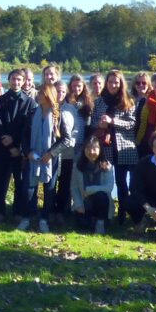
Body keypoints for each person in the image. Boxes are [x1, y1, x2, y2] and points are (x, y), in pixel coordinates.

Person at [22, 68, 75, 233]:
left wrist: (51, 153)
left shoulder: (58, 116)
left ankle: (44, 219)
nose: (38, 96)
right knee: (29, 188)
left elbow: (66, 139)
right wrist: (28, 152)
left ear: (48, 96)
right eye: (38, 93)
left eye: (41, 94)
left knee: (49, 190)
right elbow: (24, 136)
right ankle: (28, 217)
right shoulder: (32, 113)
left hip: (51, 159)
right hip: (33, 156)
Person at [91, 69, 139, 226]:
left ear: (121, 84)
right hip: (105, 147)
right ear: (106, 83)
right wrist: (100, 124)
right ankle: (103, 212)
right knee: (104, 180)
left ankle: (123, 214)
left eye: (116, 82)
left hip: (124, 147)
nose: (113, 85)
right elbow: (92, 122)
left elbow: (131, 123)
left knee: (122, 182)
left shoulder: (128, 100)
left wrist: (113, 121)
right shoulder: (99, 101)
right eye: (110, 82)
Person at [0, 69, 35, 220]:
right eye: (13, 79)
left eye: (19, 79)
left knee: (20, 181)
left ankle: (18, 212)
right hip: (2, 148)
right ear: (9, 80)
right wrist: (8, 144)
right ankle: (0, 211)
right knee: (1, 181)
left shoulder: (30, 103)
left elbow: (28, 127)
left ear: (24, 81)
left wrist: (16, 144)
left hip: (20, 149)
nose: (16, 82)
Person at [57, 74, 94, 224]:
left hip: (79, 146)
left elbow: (84, 126)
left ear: (83, 87)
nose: (76, 88)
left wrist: (81, 144)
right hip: (64, 146)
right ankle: (60, 209)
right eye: (73, 86)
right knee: (62, 178)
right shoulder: (66, 101)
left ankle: (74, 209)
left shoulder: (87, 103)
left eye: (79, 86)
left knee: (74, 180)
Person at [74, 136, 115, 235]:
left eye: (94, 149)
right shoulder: (78, 166)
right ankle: (92, 220)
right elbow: (74, 187)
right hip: (85, 202)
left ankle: (100, 222)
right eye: (88, 148)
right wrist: (79, 204)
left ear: (100, 150)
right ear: (84, 150)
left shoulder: (107, 166)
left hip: (101, 203)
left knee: (101, 195)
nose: (91, 152)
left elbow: (109, 187)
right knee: (83, 225)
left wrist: (90, 190)